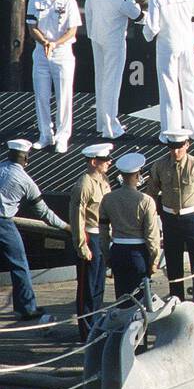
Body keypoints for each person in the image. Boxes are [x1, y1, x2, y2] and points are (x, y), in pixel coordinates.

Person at [0, 139, 69, 322]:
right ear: (26, 158)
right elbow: (43, 212)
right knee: (19, 264)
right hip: (3, 223)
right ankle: (26, 308)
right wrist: (65, 226)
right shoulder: (25, 181)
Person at [146, 131, 194, 302]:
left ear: (186, 145)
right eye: (172, 147)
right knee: (173, 262)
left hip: (192, 218)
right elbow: (151, 194)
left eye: (179, 147)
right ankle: (176, 299)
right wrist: (152, 220)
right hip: (170, 219)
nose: (175, 152)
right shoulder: (160, 166)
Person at [142, 0, 194, 142]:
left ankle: (171, 132)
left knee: (169, 87)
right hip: (186, 42)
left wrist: (144, 27)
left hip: (168, 46)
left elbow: (152, 29)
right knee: (190, 84)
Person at [84, 0, 144, 140]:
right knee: (112, 82)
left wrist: (91, 33)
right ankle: (111, 128)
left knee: (100, 80)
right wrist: (143, 8)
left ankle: (101, 123)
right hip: (113, 43)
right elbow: (138, 17)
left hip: (96, 37)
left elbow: (88, 11)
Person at [27, 0, 81, 153]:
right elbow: (32, 26)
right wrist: (45, 42)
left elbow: (72, 30)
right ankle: (45, 134)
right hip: (41, 52)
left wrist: (55, 44)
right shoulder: (35, 0)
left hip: (62, 54)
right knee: (41, 95)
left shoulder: (69, 3)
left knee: (63, 96)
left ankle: (63, 135)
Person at [99, 152, 161, 302]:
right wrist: (154, 260)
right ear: (138, 175)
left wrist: (107, 255)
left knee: (122, 298)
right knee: (140, 301)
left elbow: (103, 231)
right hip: (138, 253)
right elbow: (151, 235)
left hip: (118, 251)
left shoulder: (108, 199)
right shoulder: (146, 201)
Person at [70, 143, 113, 341]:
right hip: (90, 237)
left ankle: (96, 324)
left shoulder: (103, 181)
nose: (109, 163)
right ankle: (86, 330)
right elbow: (77, 214)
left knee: (99, 286)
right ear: (94, 162)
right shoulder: (85, 184)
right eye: (105, 160)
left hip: (102, 237)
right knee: (87, 288)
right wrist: (81, 245)